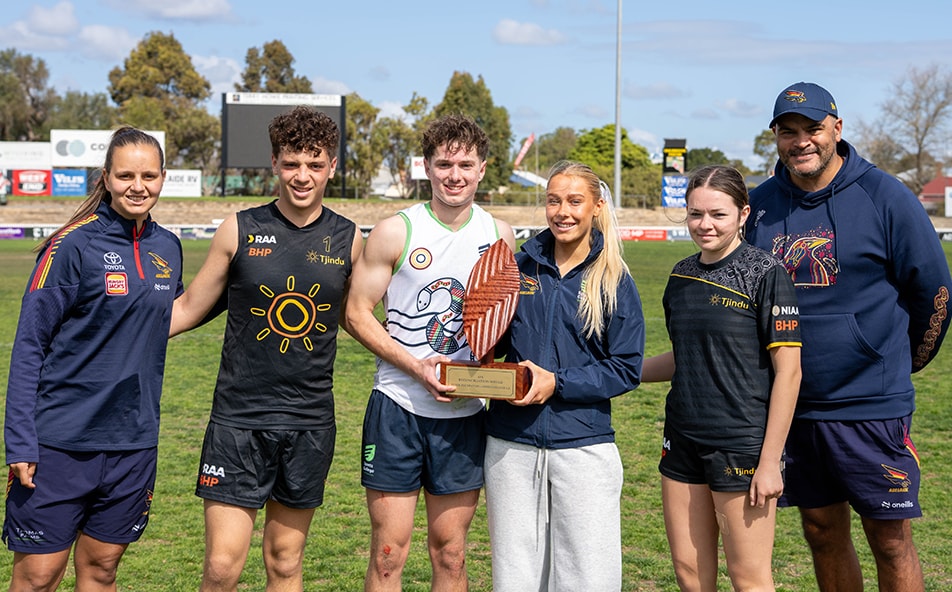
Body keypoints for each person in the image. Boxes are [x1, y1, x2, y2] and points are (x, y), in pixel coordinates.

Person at [746, 82, 952, 592]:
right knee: (820, 531)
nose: (801, 141)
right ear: (775, 137)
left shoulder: (885, 197)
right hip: (792, 405)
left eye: (813, 128)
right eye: (787, 131)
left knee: (890, 538)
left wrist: (900, 364)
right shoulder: (761, 206)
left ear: (836, 129)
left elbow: (936, 292)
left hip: (871, 406)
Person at [169, 105, 362, 592]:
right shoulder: (238, 228)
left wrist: (435, 361)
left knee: (285, 563)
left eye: (315, 165)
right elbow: (188, 307)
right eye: (292, 163)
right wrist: (106, 332)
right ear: (274, 162)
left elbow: (363, 320)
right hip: (239, 420)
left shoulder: (349, 239)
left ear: (332, 167)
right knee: (221, 567)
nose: (303, 176)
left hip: (308, 423)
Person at [3, 127, 182, 591]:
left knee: (102, 569)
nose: (137, 186)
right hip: (59, 442)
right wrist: (21, 442)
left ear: (163, 178)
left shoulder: (169, 247)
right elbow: (29, 346)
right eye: (125, 175)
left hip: (133, 442)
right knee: (38, 576)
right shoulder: (72, 245)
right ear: (106, 177)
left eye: (148, 175)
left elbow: (174, 314)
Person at [344, 113, 516, 591]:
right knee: (387, 553)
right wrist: (418, 367)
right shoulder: (395, 231)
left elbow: (499, 323)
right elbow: (356, 313)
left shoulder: (499, 234)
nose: (454, 175)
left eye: (465, 164)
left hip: (465, 414)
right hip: (398, 407)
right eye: (444, 164)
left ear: (483, 168)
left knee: (452, 553)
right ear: (426, 166)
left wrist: (485, 369)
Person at [483, 160, 645, 591]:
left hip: (584, 449)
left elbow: (626, 369)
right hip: (509, 447)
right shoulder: (517, 268)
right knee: (514, 578)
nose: (563, 212)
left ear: (595, 207)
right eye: (553, 201)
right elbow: (489, 345)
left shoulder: (613, 279)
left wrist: (557, 383)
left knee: (586, 579)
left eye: (575, 201)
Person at [641, 165, 801, 591]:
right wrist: (621, 371)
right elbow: (683, 358)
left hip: (741, 445)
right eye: (695, 214)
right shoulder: (679, 275)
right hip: (682, 440)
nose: (704, 224)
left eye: (717, 214)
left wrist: (769, 461)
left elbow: (789, 372)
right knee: (690, 574)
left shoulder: (765, 274)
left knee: (748, 578)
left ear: (743, 214)